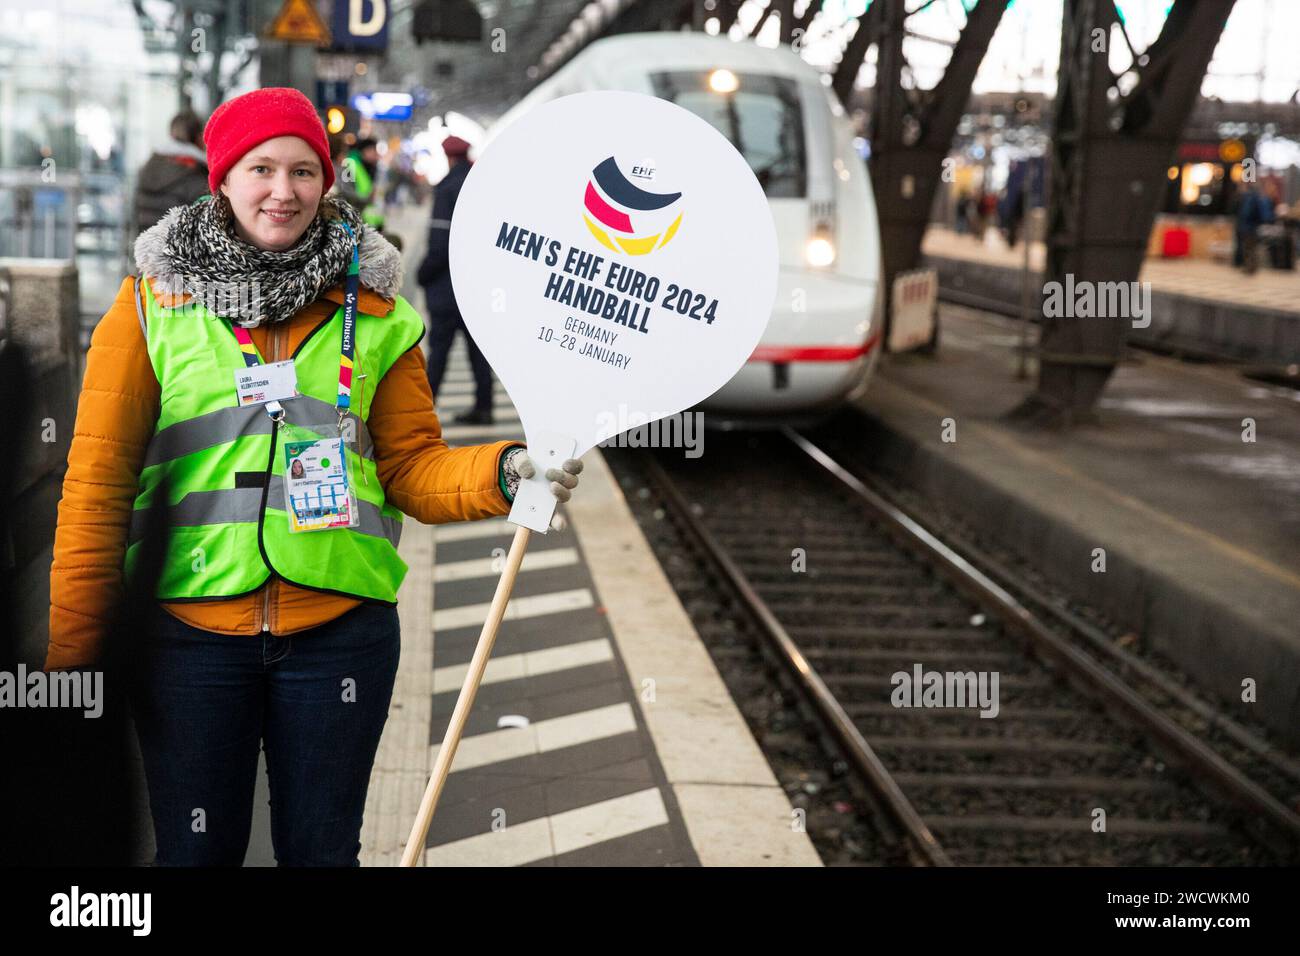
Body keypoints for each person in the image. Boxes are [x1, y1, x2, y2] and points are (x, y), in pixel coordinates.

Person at [44, 87, 582, 867]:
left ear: (327, 182)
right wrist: (74, 663)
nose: (283, 191)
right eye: (260, 168)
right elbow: (96, 488)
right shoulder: (150, 307)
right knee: (195, 857)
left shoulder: (379, 310)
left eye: (303, 171)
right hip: (186, 640)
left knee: (323, 854)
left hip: (341, 639)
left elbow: (412, 467)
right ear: (222, 180)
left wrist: (504, 470)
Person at [417, 134, 495, 425]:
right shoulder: (483, 187)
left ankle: (424, 412)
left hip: (447, 290)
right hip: (478, 290)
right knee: (479, 354)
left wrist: (422, 274)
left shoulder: (448, 188)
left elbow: (440, 245)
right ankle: (484, 408)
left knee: (438, 353)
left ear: (448, 157)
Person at [133, 111, 209, 236]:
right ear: (199, 137)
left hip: (145, 247)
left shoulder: (149, 166)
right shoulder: (196, 173)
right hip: (177, 251)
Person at [338, 136, 385, 229]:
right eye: (373, 150)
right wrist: (366, 198)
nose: (375, 154)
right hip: (353, 219)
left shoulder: (371, 167)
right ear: (364, 151)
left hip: (368, 220)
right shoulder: (349, 164)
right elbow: (345, 191)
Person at [1234, 183, 1274, 275]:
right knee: (1250, 247)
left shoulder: (1250, 198)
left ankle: (1250, 267)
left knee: (1249, 247)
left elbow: (1247, 213)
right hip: (1250, 226)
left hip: (1249, 226)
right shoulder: (1253, 198)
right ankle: (1250, 267)